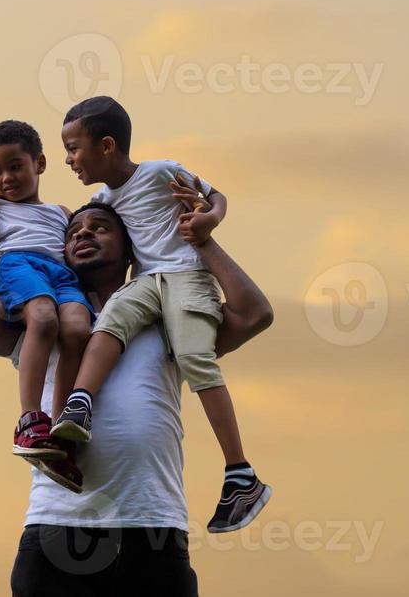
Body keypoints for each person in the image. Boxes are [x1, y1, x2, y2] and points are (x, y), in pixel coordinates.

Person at [0, 185, 274, 596]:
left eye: (99, 228)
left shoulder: (167, 319)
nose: (82, 235)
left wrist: (199, 237)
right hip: (59, 524)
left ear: (131, 249)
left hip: (154, 526)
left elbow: (255, 313)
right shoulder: (42, 323)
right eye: (73, 232)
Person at [56, 97, 269, 532]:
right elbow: (79, 226)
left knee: (194, 356)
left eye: (74, 148)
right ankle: (79, 404)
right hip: (146, 281)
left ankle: (241, 473)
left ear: (107, 146)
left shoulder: (158, 172)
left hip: (187, 276)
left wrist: (207, 221)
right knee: (112, 321)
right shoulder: (102, 198)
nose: (69, 159)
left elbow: (217, 196)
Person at [0, 120, 92, 463]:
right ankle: (30, 419)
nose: (6, 178)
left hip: (61, 274)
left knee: (76, 327)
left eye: (15, 167)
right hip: (19, 266)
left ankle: (60, 424)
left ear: (39, 164)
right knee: (42, 318)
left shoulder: (60, 212)